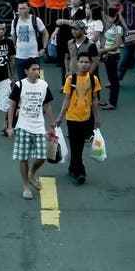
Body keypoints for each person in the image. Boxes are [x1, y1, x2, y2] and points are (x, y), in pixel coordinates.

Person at [7, 59, 55, 200]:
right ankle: (26, 186)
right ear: (26, 71)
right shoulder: (19, 85)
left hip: (39, 126)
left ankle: (32, 173)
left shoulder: (43, 85)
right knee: (24, 158)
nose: (36, 72)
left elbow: (47, 105)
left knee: (42, 156)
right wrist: (10, 127)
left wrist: (52, 122)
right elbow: (12, 106)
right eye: (33, 69)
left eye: (37, 69)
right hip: (23, 126)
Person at [55, 52, 102, 185]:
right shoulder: (71, 79)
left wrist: (97, 118)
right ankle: (79, 171)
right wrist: (60, 117)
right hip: (72, 117)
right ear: (77, 63)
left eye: (87, 62)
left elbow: (95, 100)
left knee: (79, 146)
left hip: (86, 118)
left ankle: (73, 167)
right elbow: (67, 99)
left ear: (90, 64)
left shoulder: (93, 80)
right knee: (75, 145)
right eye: (81, 62)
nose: (84, 64)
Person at [11, 1, 48, 80]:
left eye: (24, 8)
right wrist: (12, 51)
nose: (22, 11)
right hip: (19, 57)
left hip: (33, 56)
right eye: (20, 9)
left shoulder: (35, 20)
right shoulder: (14, 21)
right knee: (22, 81)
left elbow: (45, 33)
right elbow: (13, 36)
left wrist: (44, 48)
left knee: (38, 80)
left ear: (29, 9)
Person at [98, 7, 124, 110]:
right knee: (111, 78)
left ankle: (113, 102)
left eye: (108, 16)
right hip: (108, 56)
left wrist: (104, 50)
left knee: (114, 80)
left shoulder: (118, 28)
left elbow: (118, 44)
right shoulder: (112, 27)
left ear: (113, 18)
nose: (106, 18)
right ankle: (110, 100)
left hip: (113, 56)